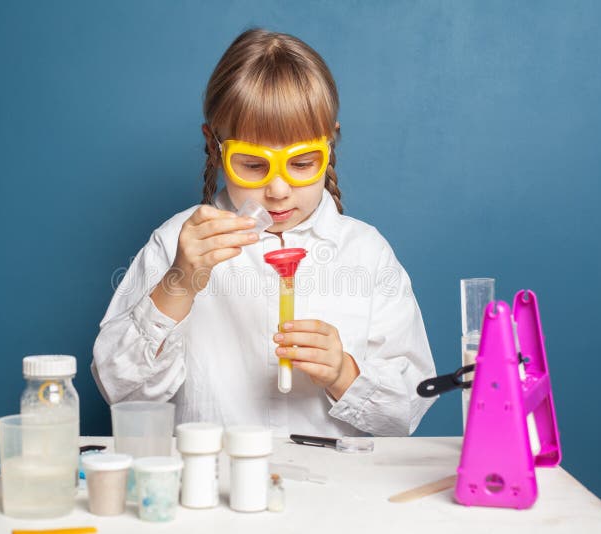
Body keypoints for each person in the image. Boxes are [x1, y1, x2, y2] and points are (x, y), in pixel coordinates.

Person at [92, 28, 436, 436]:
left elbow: (407, 411)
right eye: (253, 166)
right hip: (214, 488)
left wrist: (345, 373)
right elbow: (123, 394)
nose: (277, 190)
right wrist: (179, 282)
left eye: (303, 163)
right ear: (215, 147)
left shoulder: (366, 253)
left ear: (330, 146)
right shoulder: (176, 244)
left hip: (334, 491)